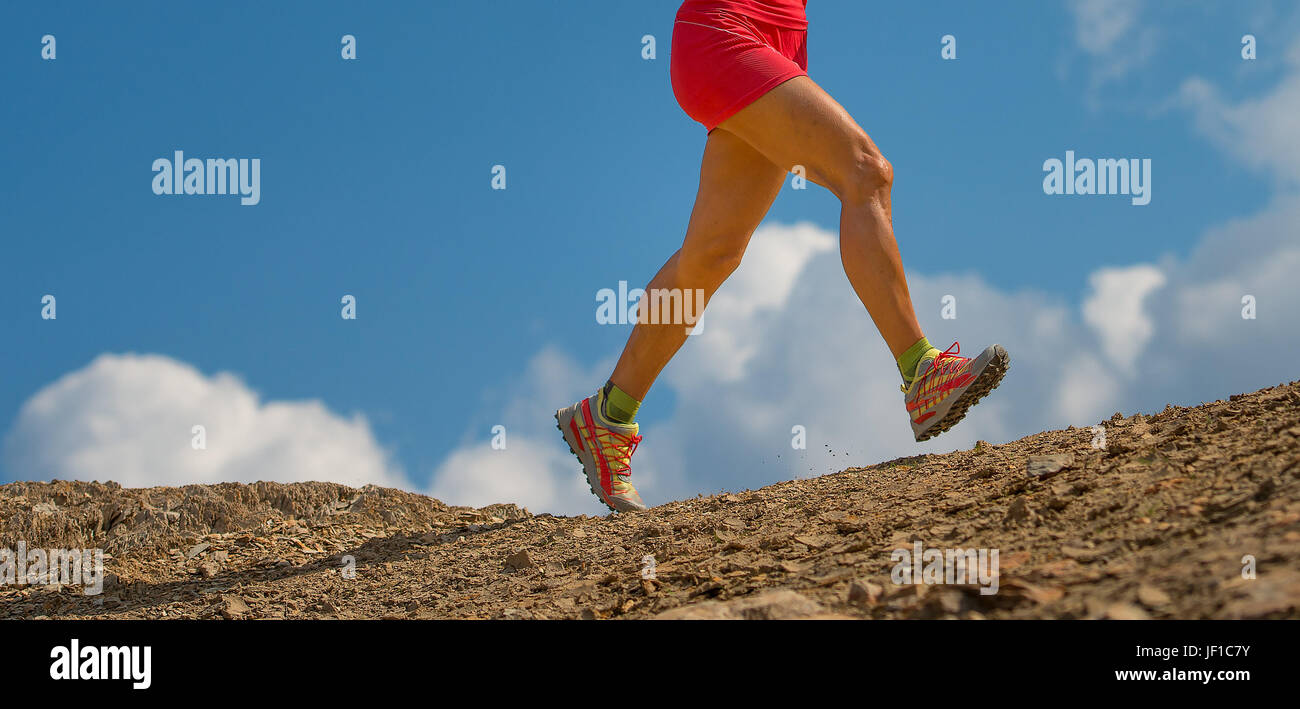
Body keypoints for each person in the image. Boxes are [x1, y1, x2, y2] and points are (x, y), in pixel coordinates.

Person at [556, 0, 1009, 512]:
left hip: (781, 42)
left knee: (714, 253)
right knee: (865, 172)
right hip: (722, 34)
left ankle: (607, 416)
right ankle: (921, 373)